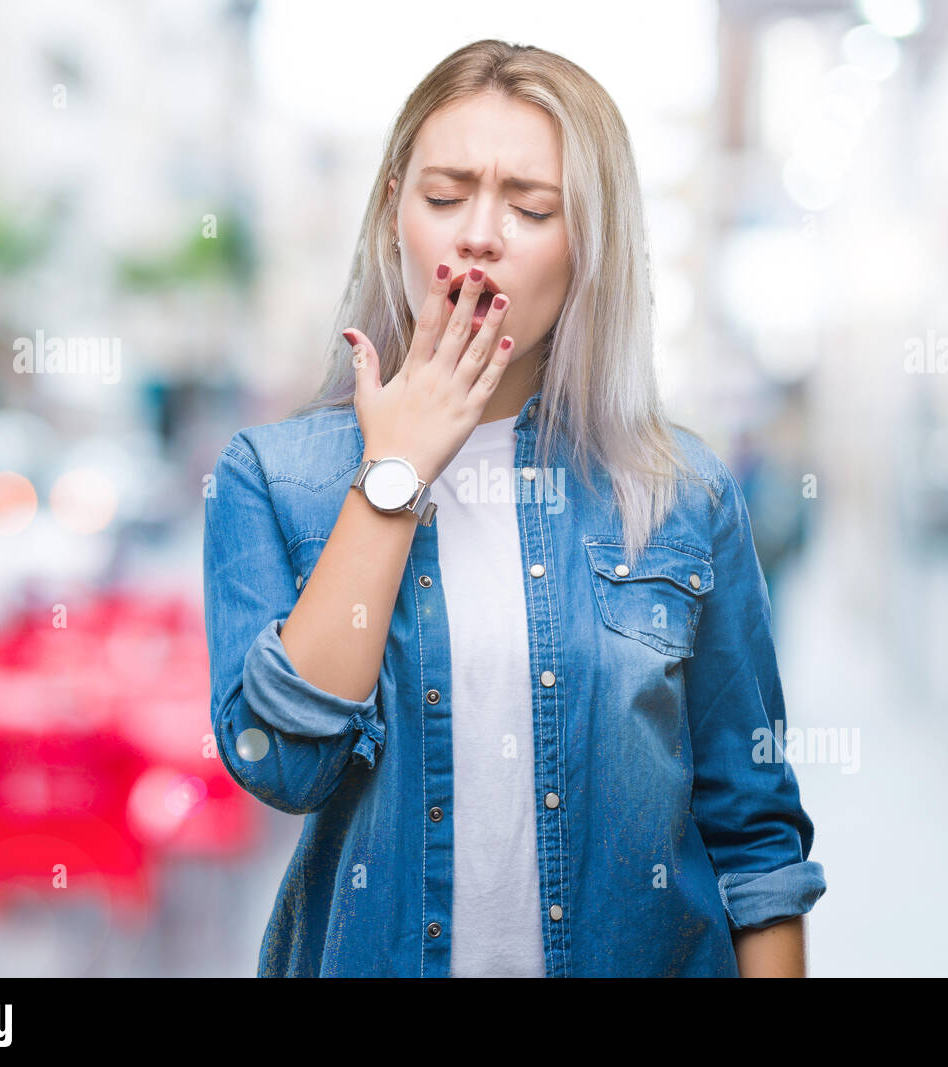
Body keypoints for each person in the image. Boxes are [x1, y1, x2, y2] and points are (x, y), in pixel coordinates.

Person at [203, 38, 826, 978]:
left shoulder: (682, 492)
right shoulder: (273, 475)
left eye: (531, 207)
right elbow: (284, 763)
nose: (479, 235)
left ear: (588, 244)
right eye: (444, 197)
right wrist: (394, 475)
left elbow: (755, 833)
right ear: (392, 217)